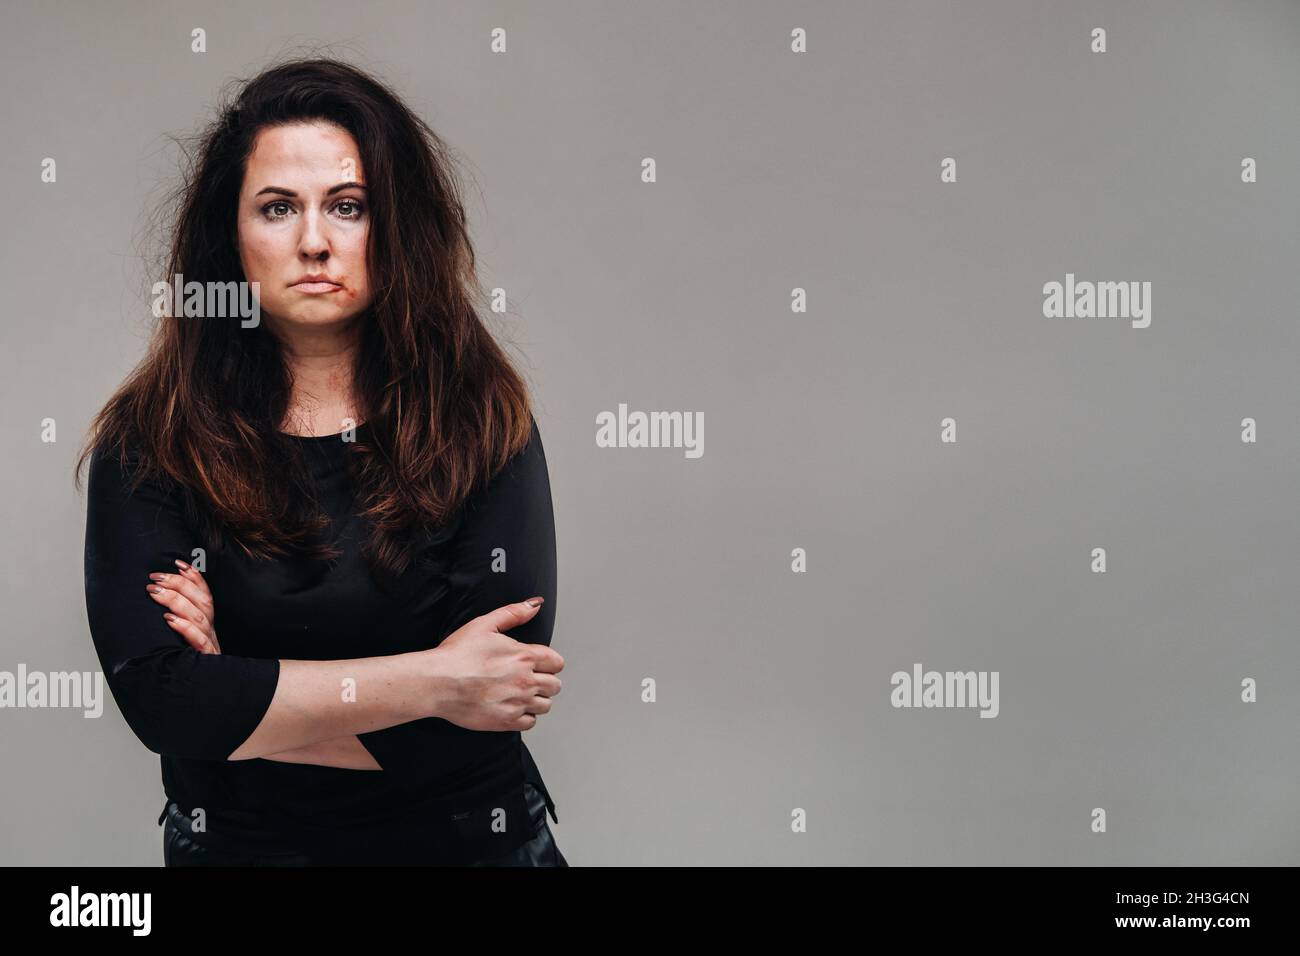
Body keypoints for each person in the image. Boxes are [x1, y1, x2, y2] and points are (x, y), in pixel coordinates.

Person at [76, 57, 568, 866]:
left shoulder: (480, 415)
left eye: (348, 207)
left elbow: (494, 703)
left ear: (396, 226)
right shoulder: (151, 436)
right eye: (277, 208)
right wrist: (438, 680)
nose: (313, 242)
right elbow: (164, 705)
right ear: (229, 236)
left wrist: (237, 692)